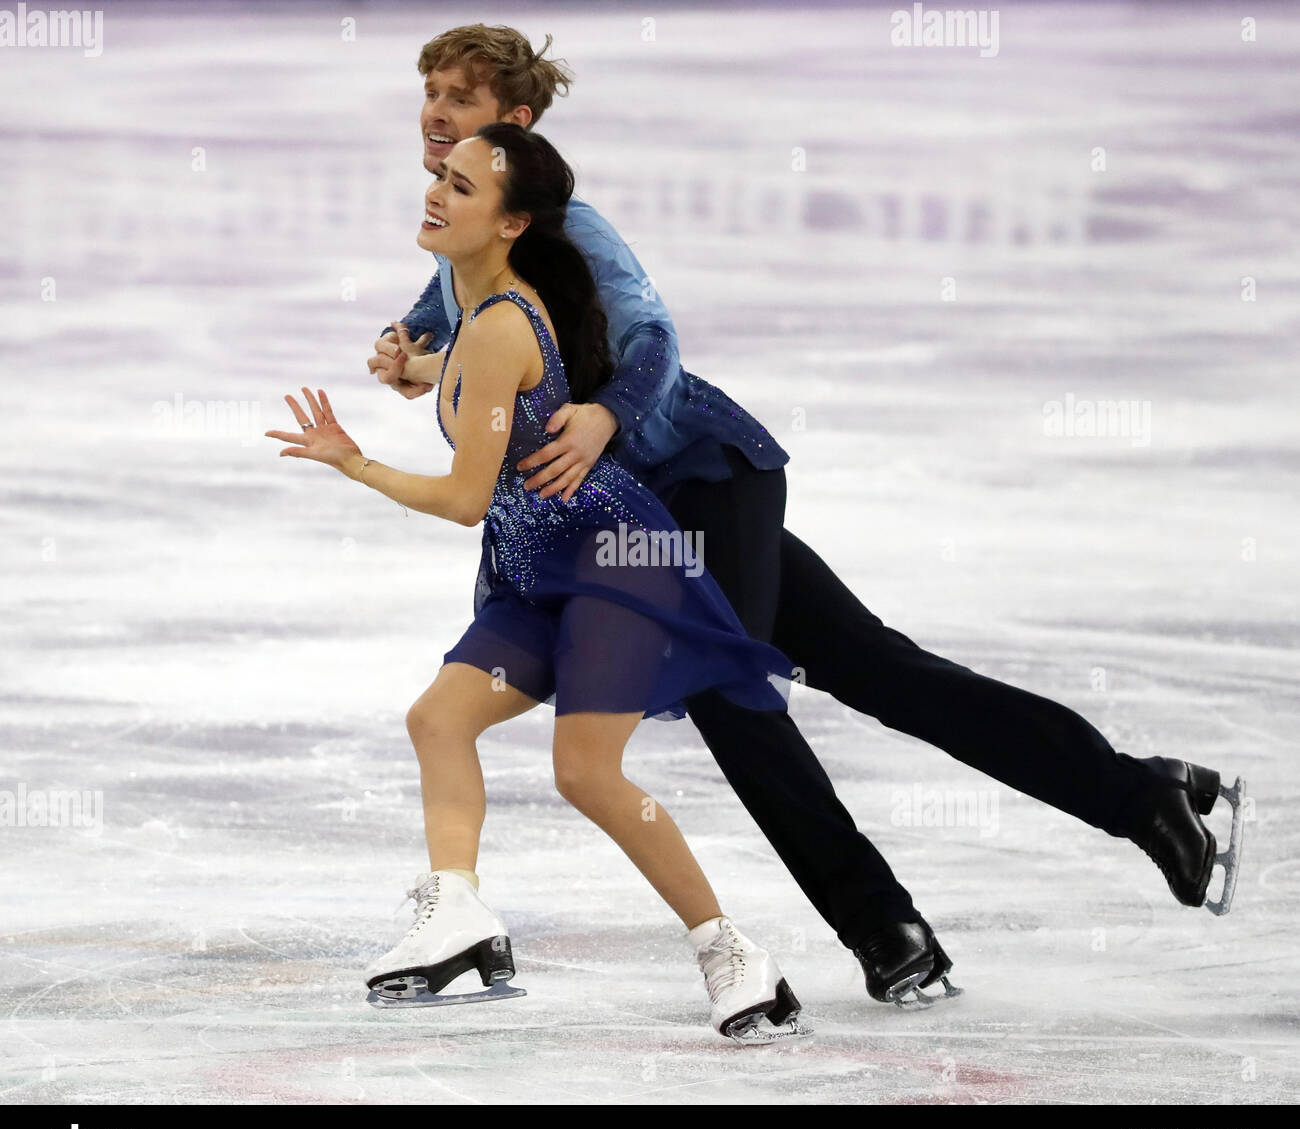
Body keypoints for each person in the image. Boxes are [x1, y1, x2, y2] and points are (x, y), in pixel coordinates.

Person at [369, 24, 1247, 1008]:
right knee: (879, 670)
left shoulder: (572, 228)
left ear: (516, 131)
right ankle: (1142, 794)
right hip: (634, 518)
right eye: (430, 93)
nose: (437, 115)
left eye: (461, 99)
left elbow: (653, 334)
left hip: (705, 482)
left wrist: (606, 409)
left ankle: (881, 925)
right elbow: (437, 321)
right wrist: (404, 350)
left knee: (728, 690)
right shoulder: (467, 244)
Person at [267, 123, 811, 1045]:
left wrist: (351, 464)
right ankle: (458, 913)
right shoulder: (482, 322)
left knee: (586, 772)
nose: (437, 192)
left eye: (464, 187)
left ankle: (731, 950)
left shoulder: (504, 321)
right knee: (439, 718)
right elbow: (476, 382)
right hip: (542, 569)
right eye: (441, 175)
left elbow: (464, 500)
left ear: (512, 222)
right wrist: (416, 368)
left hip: (614, 561)